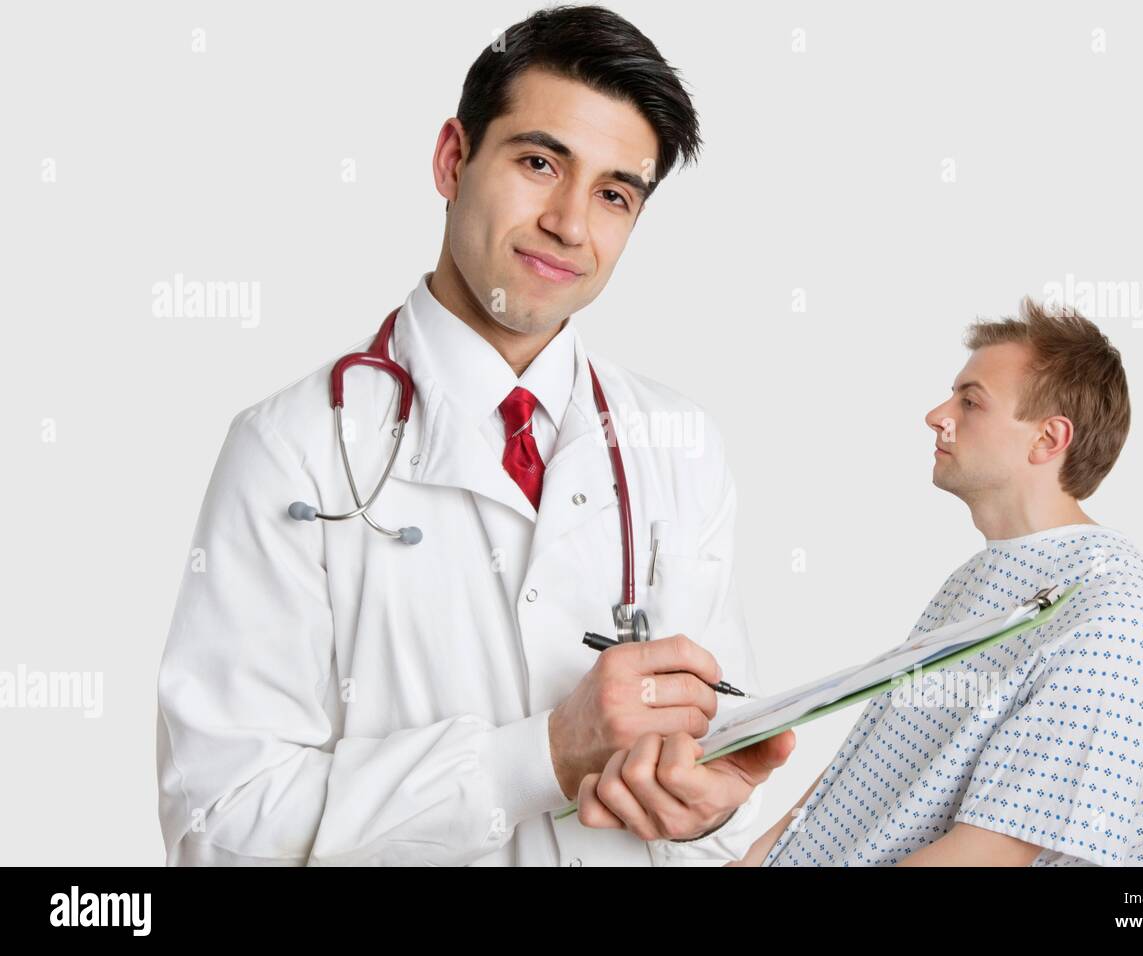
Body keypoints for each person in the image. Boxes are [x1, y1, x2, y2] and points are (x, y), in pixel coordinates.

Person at [156, 4, 792, 867]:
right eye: (539, 163)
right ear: (452, 159)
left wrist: (712, 813)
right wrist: (540, 757)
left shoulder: (679, 443)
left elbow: (717, 788)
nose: (570, 224)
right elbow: (221, 827)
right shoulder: (291, 450)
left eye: (613, 194)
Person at [578, 298, 1143, 867]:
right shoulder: (971, 585)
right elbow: (854, 785)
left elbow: (988, 855)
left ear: (1048, 438)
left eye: (970, 401)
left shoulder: (1116, 617)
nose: (937, 416)